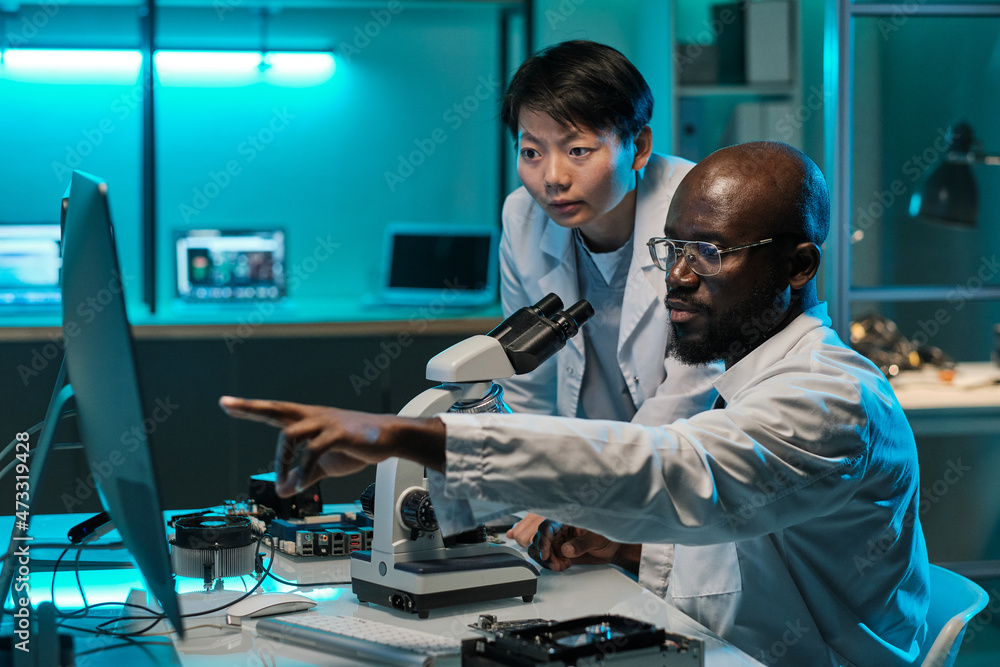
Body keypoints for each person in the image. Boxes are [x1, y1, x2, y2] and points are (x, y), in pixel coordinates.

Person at [220, 141, 929, 666]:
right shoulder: (751, 377)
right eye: (672, 249)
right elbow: (753, 541)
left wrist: (409, 435)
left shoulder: (832, 397)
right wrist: (627, 544)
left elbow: (680, 470)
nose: (676, 279)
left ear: (799, 265)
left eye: (709, 253)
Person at [496, 40, 720, 544]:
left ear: (638, 147)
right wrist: (537, 498)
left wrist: (587, 503)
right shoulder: (522, 216)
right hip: (587, 485)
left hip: (692, 479)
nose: (552, 177)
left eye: (578, 150)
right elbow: (525, 379)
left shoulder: (699, 211)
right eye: (531, 151)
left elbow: (692, 389)